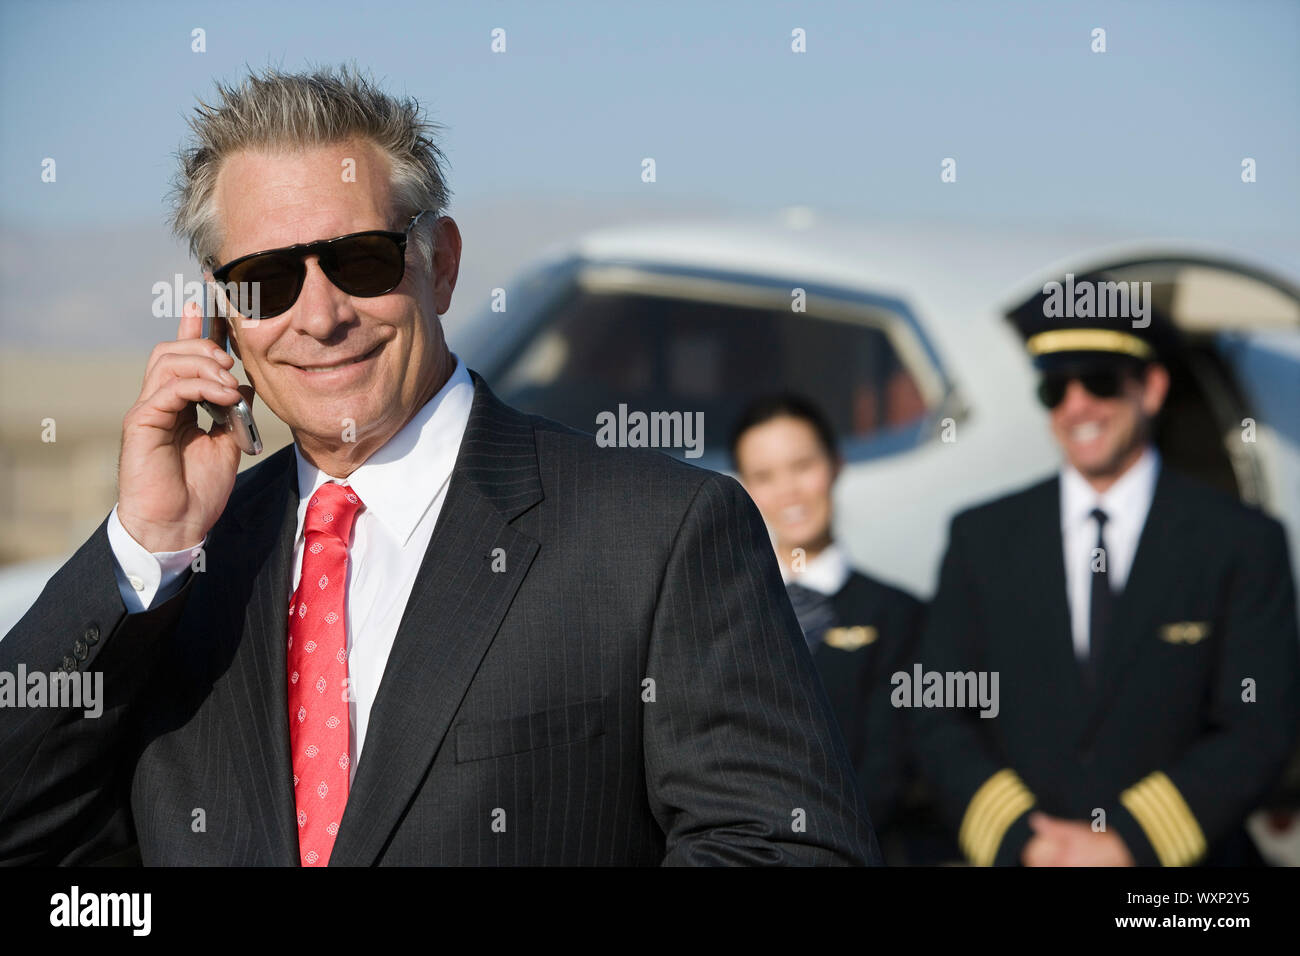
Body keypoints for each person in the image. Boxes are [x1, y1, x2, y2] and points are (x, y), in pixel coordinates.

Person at [0, 66, 878, 867]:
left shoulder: (657, 536)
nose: (319, 316)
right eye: (265, 280)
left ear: (441, 263)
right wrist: (145, 545)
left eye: (360, 261)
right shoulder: (176, 579)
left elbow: (786, 851)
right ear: (222, 313)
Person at [913, 292, 1300, 866]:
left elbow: (1260, 725)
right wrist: (1026, 841)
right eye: (1054, 387)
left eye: (1099, 381)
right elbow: (936, 708)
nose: (1076, 407)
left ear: (1152, 388)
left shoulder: (1240, 542)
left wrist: (1128, 842)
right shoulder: (982, 539)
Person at [729, 394, 923, 859]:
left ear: (836, 465)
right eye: (764, 477)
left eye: (802, 466)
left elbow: (889, 768)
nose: (788, 491)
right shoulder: (721, 610)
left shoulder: (898, 613)